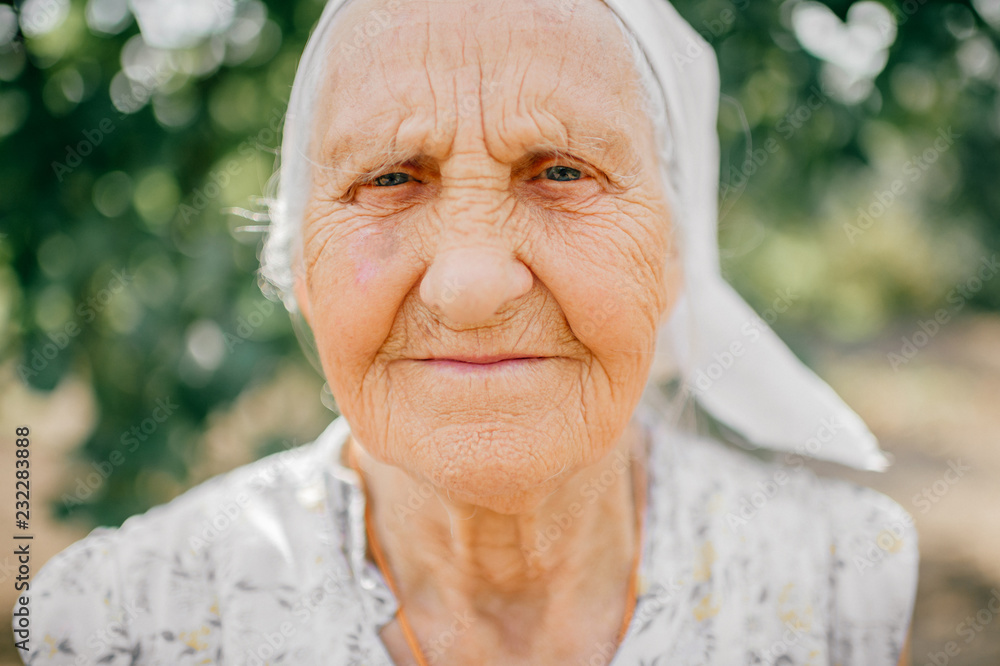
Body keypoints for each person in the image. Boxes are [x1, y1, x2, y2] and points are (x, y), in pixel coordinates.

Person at [17, 0, 918, 663]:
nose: (471, 286)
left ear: (677, 252)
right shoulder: (124, 624)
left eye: (562, 172)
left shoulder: (835, 583)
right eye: (389, 179)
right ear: (300, 264)